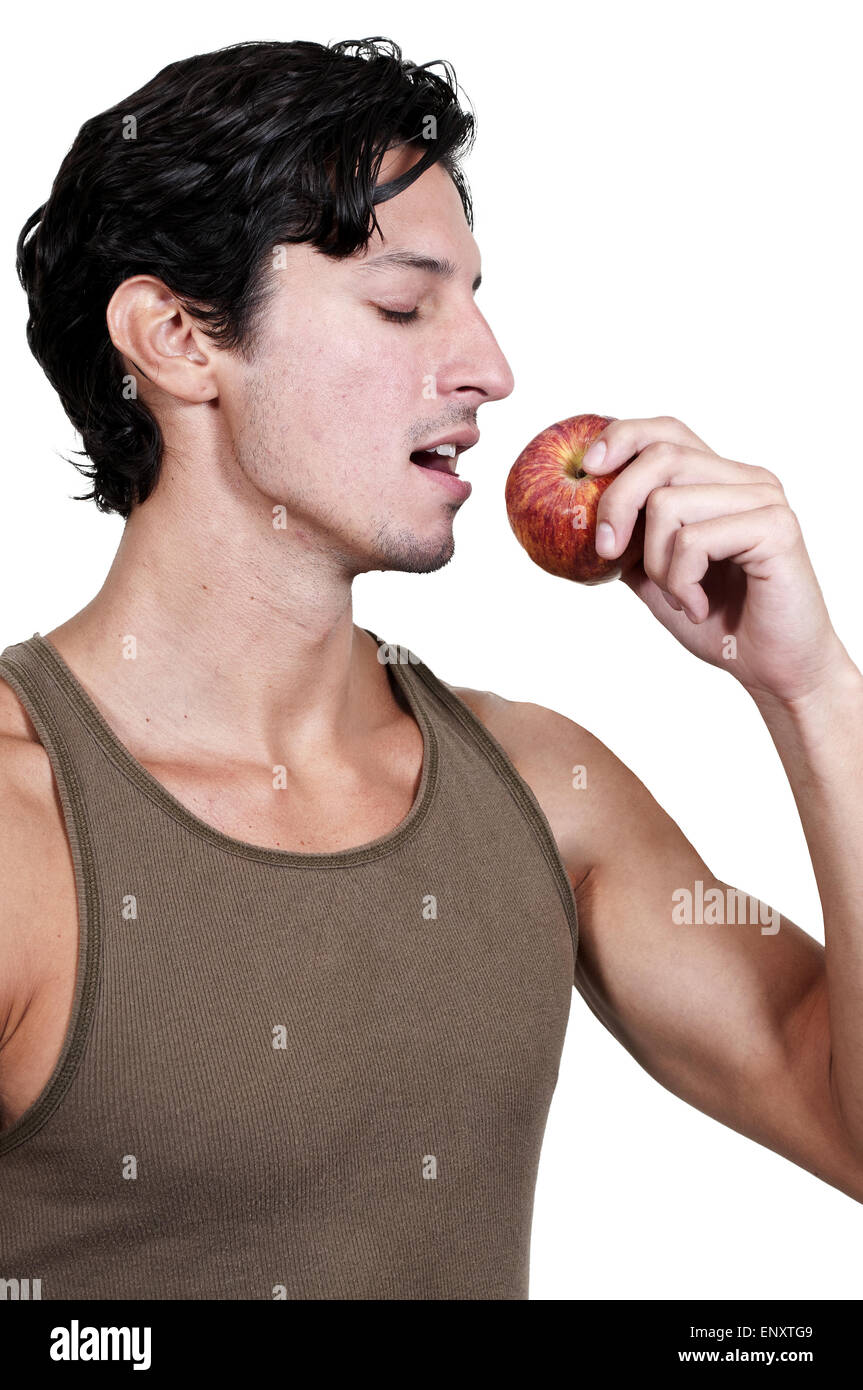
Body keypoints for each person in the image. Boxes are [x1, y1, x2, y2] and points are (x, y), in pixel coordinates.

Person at [1, 37, 860, 1303]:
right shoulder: (20, 830)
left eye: (471, 302)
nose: (491, 372)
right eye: (404, 306)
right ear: (176, 336)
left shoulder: (542, 785)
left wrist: (812, 692)